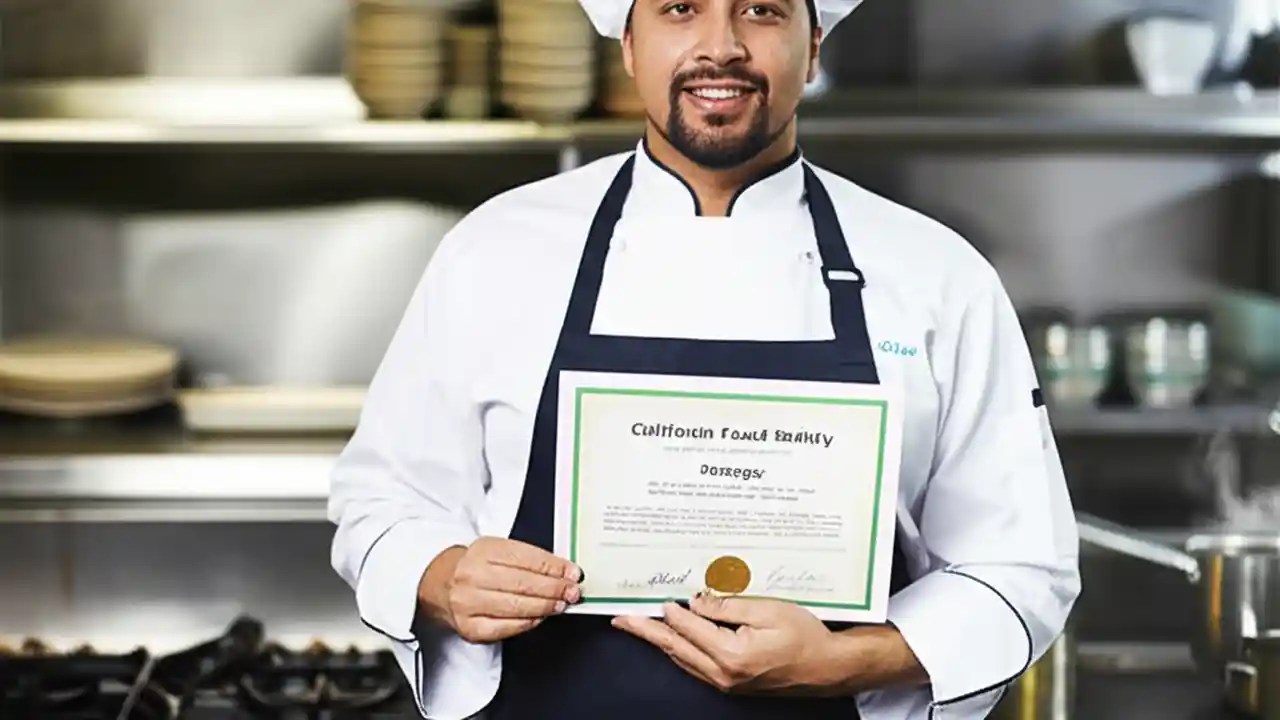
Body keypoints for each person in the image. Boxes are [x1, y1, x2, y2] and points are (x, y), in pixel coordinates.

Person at [327, 0, 1081, 717]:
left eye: (761, 10)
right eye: (680, 8)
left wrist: (844, 662)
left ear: (813, 44)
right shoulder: (494, 253)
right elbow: (382, 503)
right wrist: (443, 577)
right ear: (627, 43)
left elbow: (1019, 565)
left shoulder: (937, 276)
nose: (720, 45)